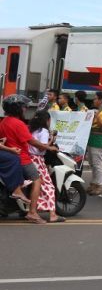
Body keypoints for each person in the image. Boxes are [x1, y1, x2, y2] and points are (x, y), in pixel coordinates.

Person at [0, 96, 57, 224]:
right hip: (22, 158)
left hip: (9, 156)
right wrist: (49, 147)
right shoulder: (18, 124)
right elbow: (33, 142)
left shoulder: (4, 122)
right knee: (37, 180)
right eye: (23, 107)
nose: (25, 109)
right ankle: (32, 212)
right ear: (17, 109)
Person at [28, 110, 63, 223]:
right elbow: (42, 148)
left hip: (29, 158)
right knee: (48, 186)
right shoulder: (43, 131)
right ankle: (53, 214)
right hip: (37, 160)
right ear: (46, 121)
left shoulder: (32, 129)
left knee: (38, 185)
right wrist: (51, 141)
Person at [85, 92, 102, 196]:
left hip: (99, 140)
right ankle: (94, 183)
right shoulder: (98, 111)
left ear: (101, 100)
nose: (93, 100)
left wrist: (96, 116)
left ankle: (99, 186)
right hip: (92, 139)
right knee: (92, 163)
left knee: (97, 164)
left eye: (95, 99)